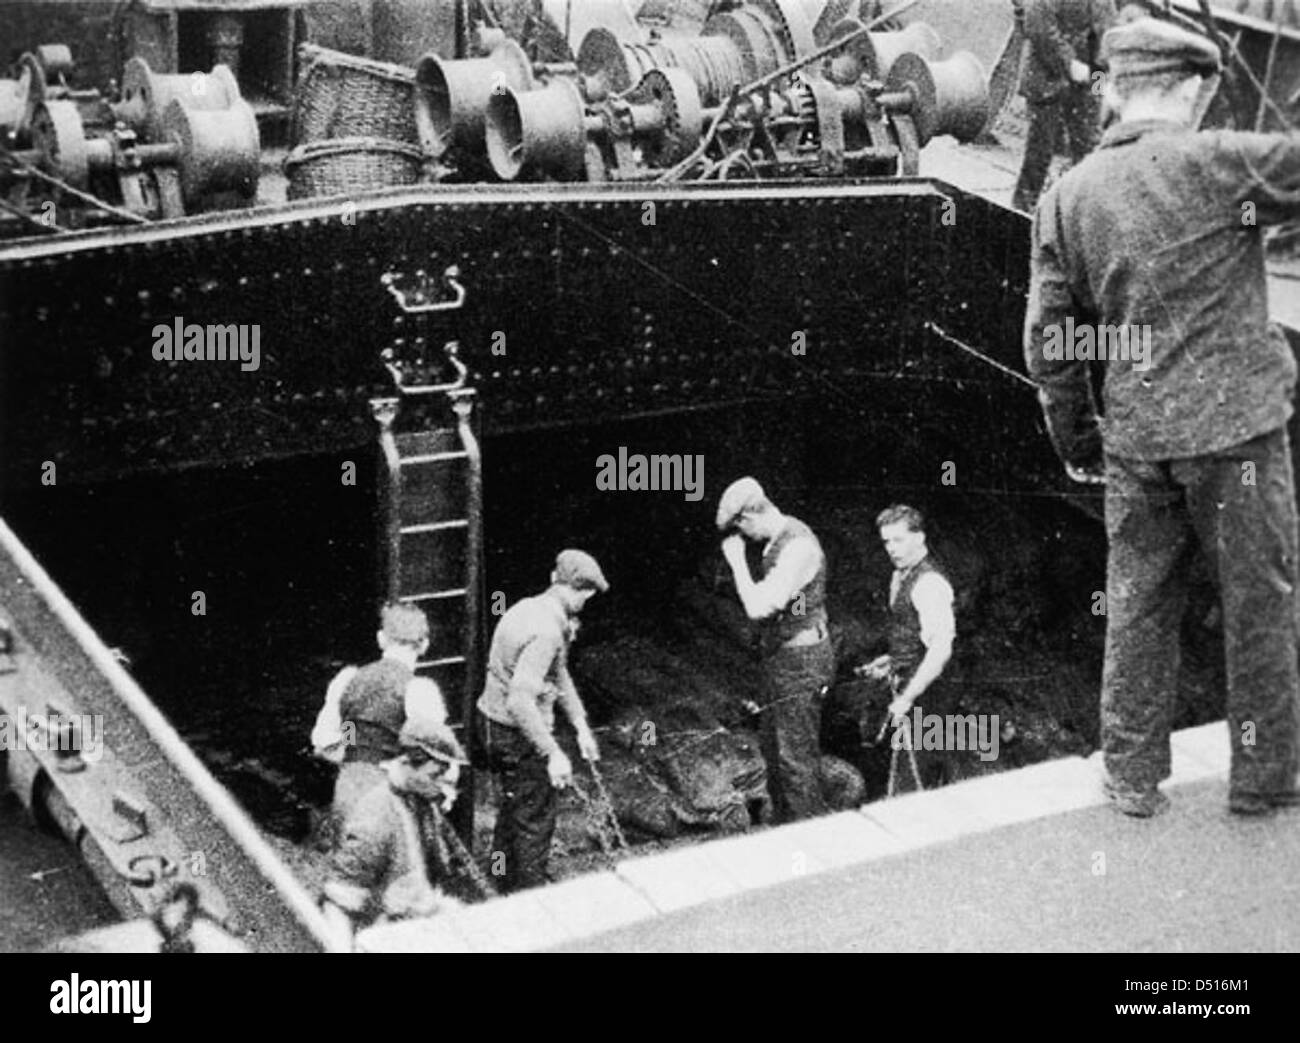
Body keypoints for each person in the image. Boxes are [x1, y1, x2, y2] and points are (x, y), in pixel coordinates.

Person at [1023, 16, 1300, 816]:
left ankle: (1132, 776)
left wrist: (1079, 441)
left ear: (1113, 90)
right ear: (1191, 89)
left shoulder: (1067, 196)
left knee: (1139, 606)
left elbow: (1052, 342)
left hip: (1137, 442)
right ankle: (1261, 778)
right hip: (1236, 433)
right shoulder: (1220, 165)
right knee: (1259, 599)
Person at [476, 549, 605, 892]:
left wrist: (580, 726)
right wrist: (553, 753)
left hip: (490, 724)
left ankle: (500, 880)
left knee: (514, 807)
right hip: (516, 735)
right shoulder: (547, 631)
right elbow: (520, 701)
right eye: (588, 596)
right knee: (535, 822)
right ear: (583, 592)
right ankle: (531, 900)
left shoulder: (527, 608)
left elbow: (557, 670)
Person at [717, 476, 831, 822]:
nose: (743, 537)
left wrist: (737, 563)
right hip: (783, 659)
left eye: (740, 527)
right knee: (775, 754)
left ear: (748, 517)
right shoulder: (776, 541)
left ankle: (810, 845)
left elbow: (759, 607)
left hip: (801, 662)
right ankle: (787, 835)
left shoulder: (797, 547)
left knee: (795, 761)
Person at [320, 717, 468, 945]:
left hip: (417, 918)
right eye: (434, 776)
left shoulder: (420, 801)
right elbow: (339, 900)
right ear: (410, 763)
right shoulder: (376, 817)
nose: (442, 787)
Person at [311, 601, 448, 819]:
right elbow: (437, 761)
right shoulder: (421, 691)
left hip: (350, 794)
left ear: (381, 639)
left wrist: (357, 753)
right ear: (424, 645)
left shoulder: (348, 679)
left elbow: (324, 744)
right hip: (395, 803)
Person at [856, 504, 957, 789]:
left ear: (920, 537)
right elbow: (915, 637)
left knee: (920, 777)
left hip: (930, 694)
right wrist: (892, 659)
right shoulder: (899, 576)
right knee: (906, 772)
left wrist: (907, 698)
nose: (891, 548)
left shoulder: (929, 583)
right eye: (886, 541)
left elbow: (940, 650)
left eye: (898, 540)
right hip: (910, 689)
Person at [1012, 0, 1117, 213]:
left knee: (1089, 147)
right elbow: (1039, 27)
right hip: (1046, 77)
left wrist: (1098, 90)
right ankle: (1023, 207)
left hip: (1087, 82)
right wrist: (1069, 64)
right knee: (1040, 149)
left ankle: (1081, 211)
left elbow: (1107, 39)